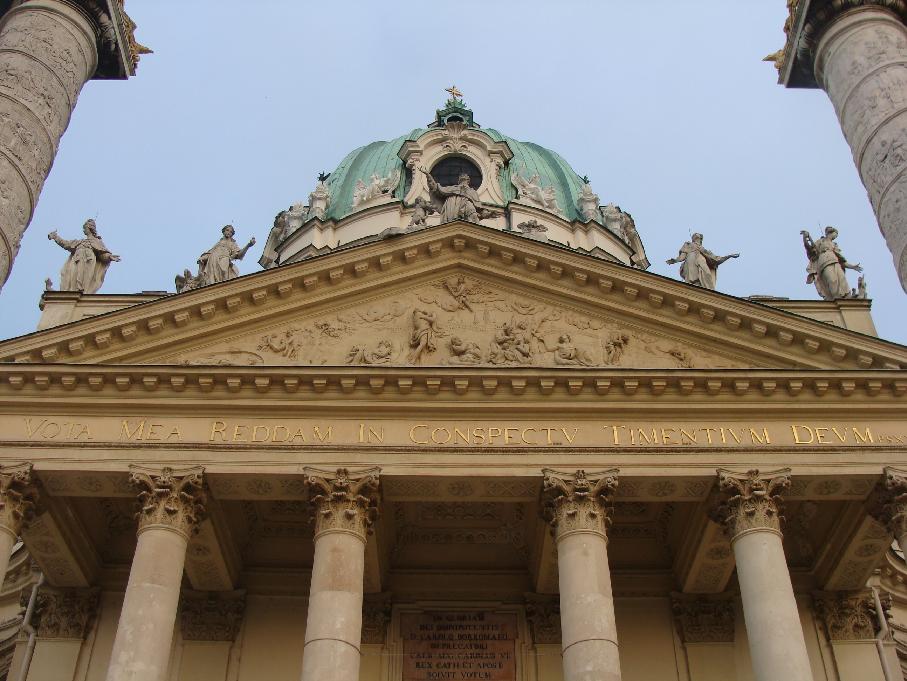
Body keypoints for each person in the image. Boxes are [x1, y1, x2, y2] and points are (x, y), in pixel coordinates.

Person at [48, 219, 120, 293]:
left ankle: (82, 292)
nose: (83, 230)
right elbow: (66, 244)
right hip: (76, 260)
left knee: (83, 278)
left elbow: (102, 254)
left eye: (84, 228)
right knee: (72, 276)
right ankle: (70, 292)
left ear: (90, 228)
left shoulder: (96, 241)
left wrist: (109, 257)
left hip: (88, 261)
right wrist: (56, 237)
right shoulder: (80, 242)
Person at [418, 168, 499, 224]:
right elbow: (435, 188)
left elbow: (479, 209)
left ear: (468, 181)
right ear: (458, 180)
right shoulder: (452, 188)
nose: (464, 177)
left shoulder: (472, 192)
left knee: (474, 217)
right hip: (451, 207)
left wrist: (489, 214)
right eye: (462, 177)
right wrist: (428, 175)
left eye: (466, 177)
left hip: (467, 205)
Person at [801, 226, 862, 300]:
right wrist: (806, 238)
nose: (836, 236)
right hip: (824, 263)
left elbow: (842, 261)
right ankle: (835, 299)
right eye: (835, 234)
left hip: (836, 262)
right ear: (830, 233)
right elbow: (810, 249)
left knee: (842, 280)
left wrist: (852, 266)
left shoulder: (834, 245)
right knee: (832, 280)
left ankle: (846, 298)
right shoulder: (821, 241)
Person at [666, 233, 738, 290]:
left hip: (701, 261)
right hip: (691, 259)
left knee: (707, 274)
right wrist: (675, 260)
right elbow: (683, 256)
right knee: (692, 278)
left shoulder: (704, 249)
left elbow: (716, 259)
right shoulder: (688, 244)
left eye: (697, 235)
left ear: (700, 238)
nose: (695, 236)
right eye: (694, 235)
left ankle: (706, 292)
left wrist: (729, 256)